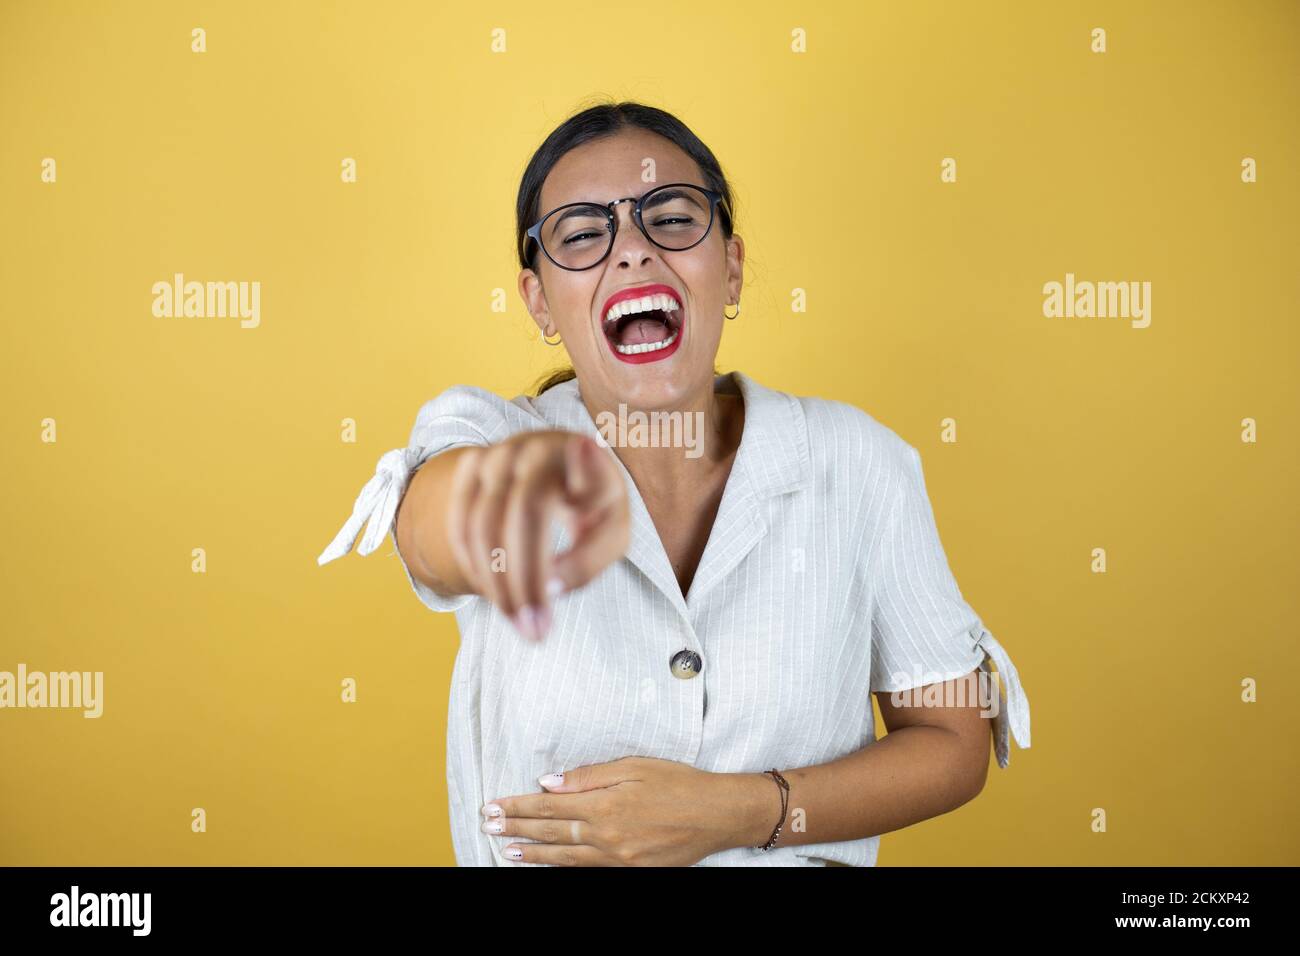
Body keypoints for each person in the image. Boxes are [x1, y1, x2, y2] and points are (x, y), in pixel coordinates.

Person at [318, 101, 1031, 866]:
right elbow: (432, 535)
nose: (632, 250)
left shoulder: (859, 462)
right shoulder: (496, 434)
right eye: (585, 234)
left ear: (729, 267)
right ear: (539, 302)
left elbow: (953, 740)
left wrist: (742, 812)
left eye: (672, 217)